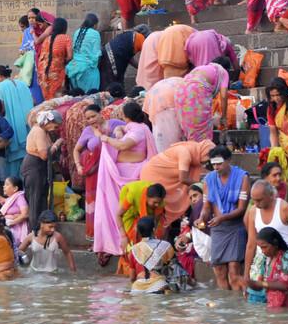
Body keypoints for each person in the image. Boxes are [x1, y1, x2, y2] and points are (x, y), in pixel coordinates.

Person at [93, 102, 159, 258]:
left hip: (130, 174)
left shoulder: (138, 130)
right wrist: (119, 129)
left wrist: (105, 138)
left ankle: (126, 243)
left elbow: (122, 146)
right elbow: (123, 129)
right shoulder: (136, 127)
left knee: (123, 210)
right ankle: (118, 242)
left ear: (125, 115)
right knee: (116, 207)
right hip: (123, 173)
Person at [143, 58, 231, 152]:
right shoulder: (222, 72)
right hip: (191, 93)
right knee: (201, 135)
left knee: (190, 129)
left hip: (179, 92)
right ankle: (202, 154)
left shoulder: (200, 69)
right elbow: (224, 95)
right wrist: (224, 117)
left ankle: (192, 152)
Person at [243, 179, 288, 290]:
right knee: (257, 294)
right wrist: (246, 274)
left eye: (259, 200)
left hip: (286, 258)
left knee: (285, 291)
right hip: (263, 258)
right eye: (254, 200)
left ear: (270, 196)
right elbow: (251, 243)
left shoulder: (284, 208)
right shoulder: (253, 211)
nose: (256, 204)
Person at [198, 145, 250, 290]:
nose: (216, 167)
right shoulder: (208, 180)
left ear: (228, 160)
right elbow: (206, 207)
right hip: (218, 228)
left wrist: (222, 218)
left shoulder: (242, 177)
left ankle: (236, 300)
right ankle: (225, 301)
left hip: (236, 227)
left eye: (219, 164)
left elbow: (241, 209)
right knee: (219, 270)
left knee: (234, 270)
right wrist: (201, 218)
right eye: (213, 164)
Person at [73, 104, 126, 239]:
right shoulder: (87, 131)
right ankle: (99, 238)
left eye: (93, 116)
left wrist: (116, 132)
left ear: (101, 113)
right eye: (88, 118)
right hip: (95, 173)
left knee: (113, 201)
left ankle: (117, 235)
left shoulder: (114, 124)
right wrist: (78, 165)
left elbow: (130, 133)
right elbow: (76, 150)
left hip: (114, 170)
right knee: (96, 203)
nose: (91, 120)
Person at [139, 140, 216, 223]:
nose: (206, 163)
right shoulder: (185, 153)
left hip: (163, 175)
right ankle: (154, 227)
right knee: (159, 205)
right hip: (154, 175)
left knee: (161, 207)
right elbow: (183, 179)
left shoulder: (194, 151)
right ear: (205, 153)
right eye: (208, 160)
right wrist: (203, 185)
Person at [21, 111, 64, 232]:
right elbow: (44, 155)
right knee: (36, 201)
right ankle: (34, 232)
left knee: (41, 199)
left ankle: (42, 230)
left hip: (38, 167)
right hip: (34, 167)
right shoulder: (39, 131)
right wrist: (56, 144)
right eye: (55, 126)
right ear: (49, 121)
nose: (55, 129)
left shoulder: (43, 131)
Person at [246, 225, 288, 307]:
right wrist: (250, 284)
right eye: (261, 248)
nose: (263, 251)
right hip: (274, 304)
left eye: (265, 247)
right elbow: (262, 285)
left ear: (275, 243)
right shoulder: (266, 259)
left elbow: (284, 285)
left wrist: (260, 284)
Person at [0, 65, 34, 178]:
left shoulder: (0, 86)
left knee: (14, 169)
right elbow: (33, 101)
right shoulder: (22, 84)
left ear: (0, 76)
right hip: (28, 126)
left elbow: (2, 108)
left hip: (13, 127)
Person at [128, 216, 180, 294]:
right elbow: (176, 270)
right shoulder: (165, 246)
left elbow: (132, 278)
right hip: (158, 285)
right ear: (154, 230)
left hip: (137, 287)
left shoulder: (133, 250)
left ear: (138, 231)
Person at [37, 17, 72, 101]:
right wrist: (62, 62)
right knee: (56, 99)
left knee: (47, 99)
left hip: (42, 72)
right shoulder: (66, 38)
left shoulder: (47, 39)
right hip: (56, 72)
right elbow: (70, 56)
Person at [66, 13, 101, 94]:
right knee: (89, 97)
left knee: (77, 97)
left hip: (73, 68)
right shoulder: (95, 34)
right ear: (95, 24)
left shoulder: (77, 32)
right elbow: (96, 55)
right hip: (87, 71)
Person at [0, 176, 29, 249]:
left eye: (7, 184)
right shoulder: (9, 199)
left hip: (15, 228)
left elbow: (25, 214)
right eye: (4, 184)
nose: (4, 186)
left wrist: (11, 222)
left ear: (15, 188)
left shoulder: (19, 197)